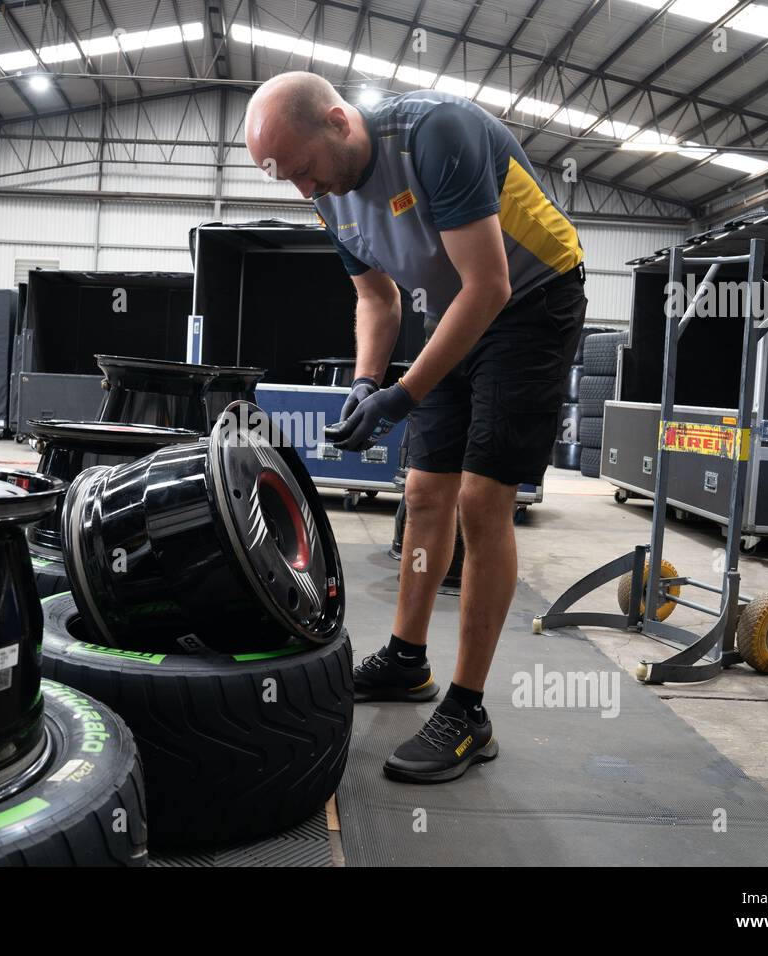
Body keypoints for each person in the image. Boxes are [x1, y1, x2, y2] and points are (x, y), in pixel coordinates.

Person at [245, 73, 587, 784]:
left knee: (481, 502)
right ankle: (407, 659)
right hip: (456, 302)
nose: (304, 189)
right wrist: (368, 381)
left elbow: (491, 285)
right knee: (425, 494)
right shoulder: (329, 197)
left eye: (303, 168)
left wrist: (403, 395)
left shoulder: (436, 135)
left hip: (533, 298)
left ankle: (468, 711)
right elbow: (377, 296)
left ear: (339, 121)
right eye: (286, 178)